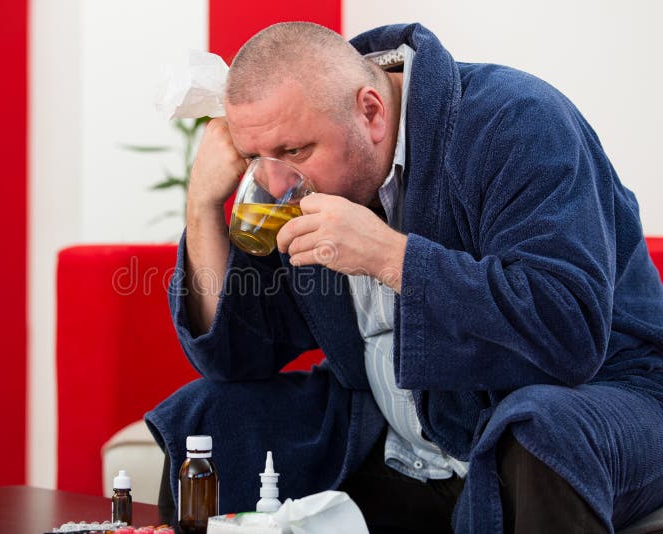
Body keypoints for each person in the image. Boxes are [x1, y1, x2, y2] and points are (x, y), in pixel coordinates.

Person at [145, 22, 663, 533]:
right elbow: (237, 355)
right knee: (209, 418)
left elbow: (566, 330)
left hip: (605, 395)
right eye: (256, 156)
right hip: (398, 431)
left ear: (370, 111)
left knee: (542, 427)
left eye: (295, 152)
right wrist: (203, 205)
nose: (275, 179)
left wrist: (391, 256)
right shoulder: (290, 176)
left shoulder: (517, 121)